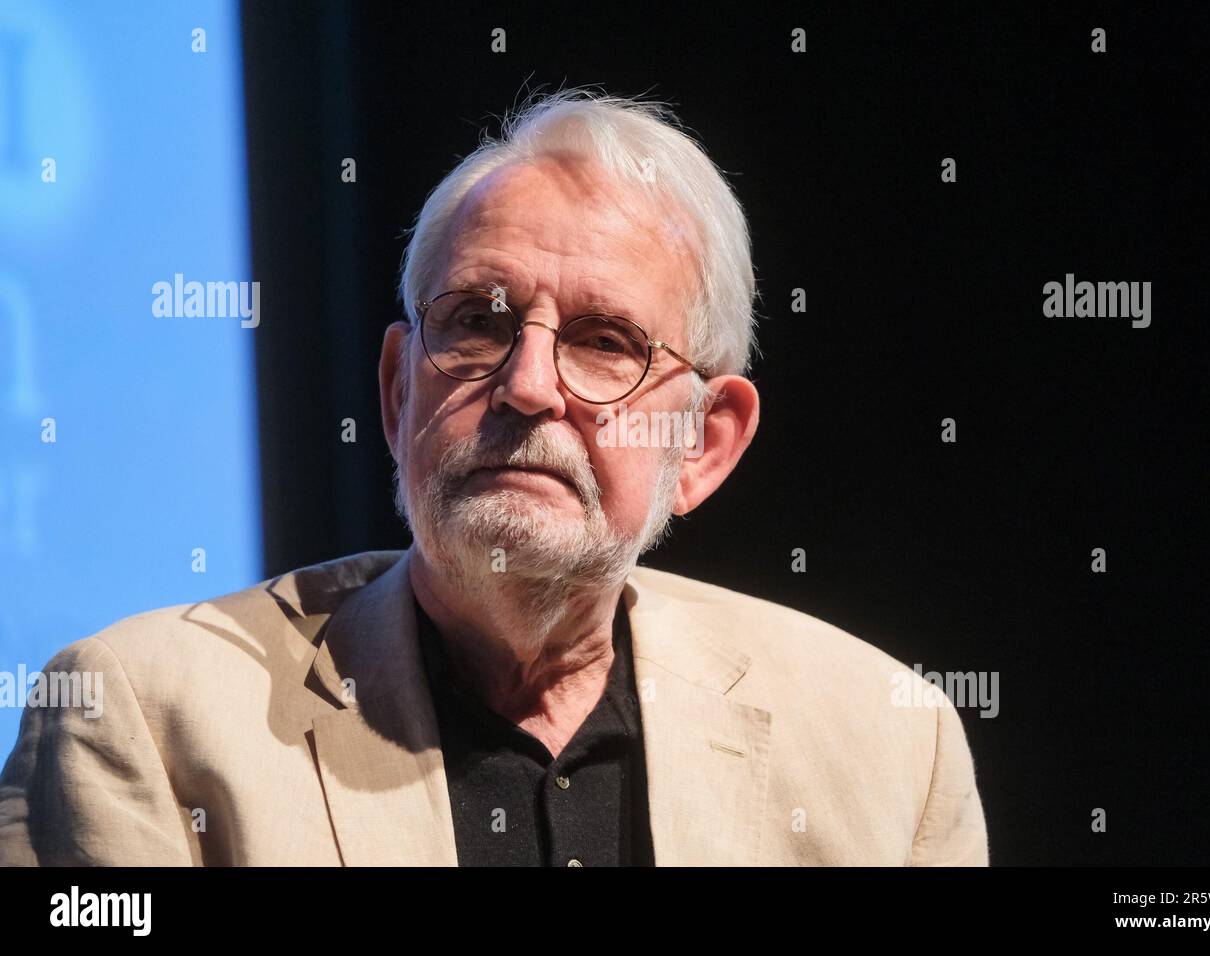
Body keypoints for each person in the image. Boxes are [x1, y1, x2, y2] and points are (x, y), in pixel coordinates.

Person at [0, 90, 987, 866]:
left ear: (704, 444)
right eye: (478, 320)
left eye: (604, 341)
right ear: (397, 394)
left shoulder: (886, 745)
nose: (525, 384)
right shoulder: (144, 719)